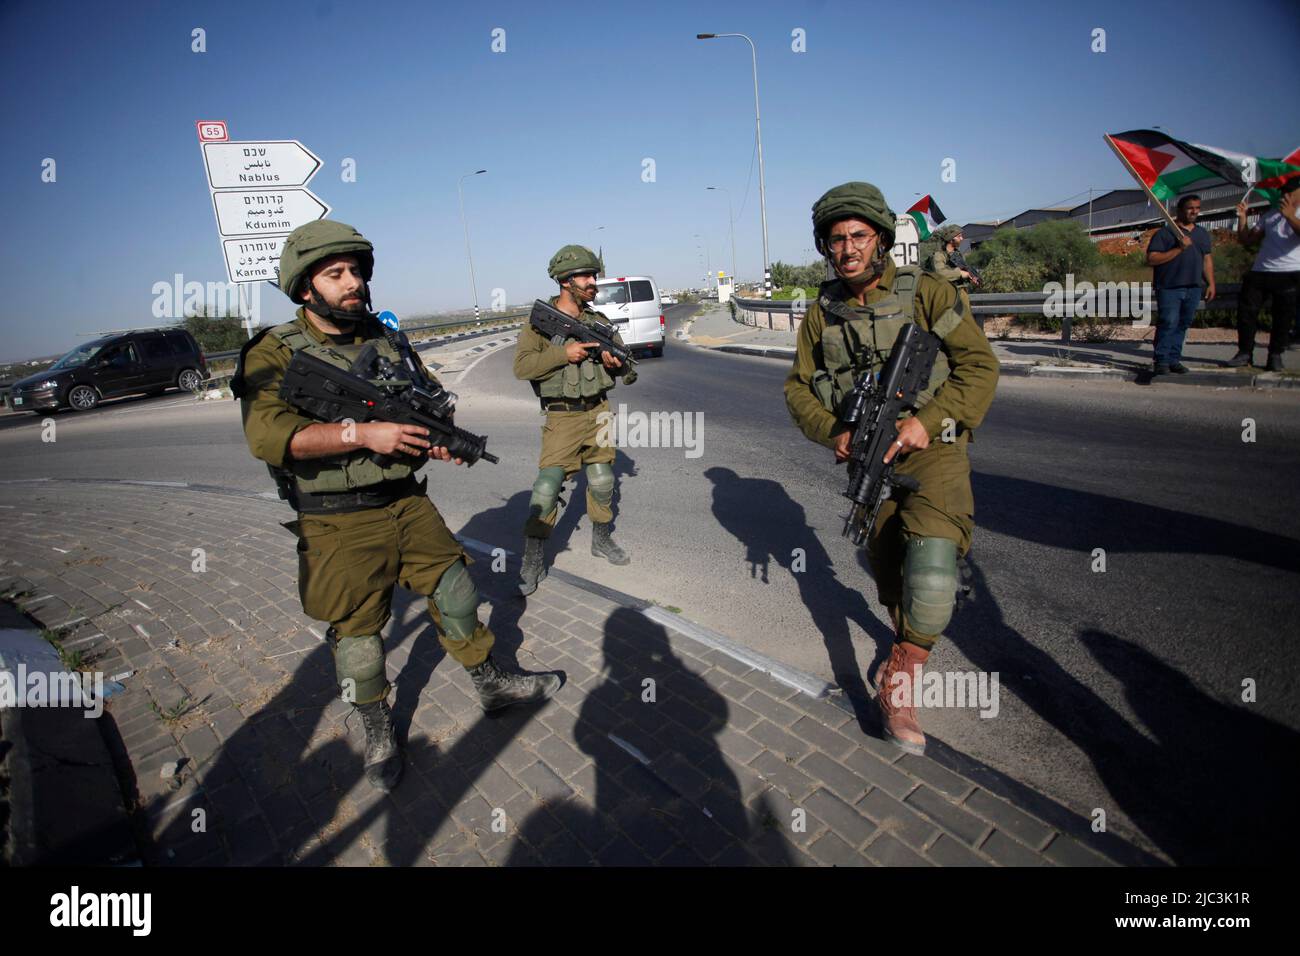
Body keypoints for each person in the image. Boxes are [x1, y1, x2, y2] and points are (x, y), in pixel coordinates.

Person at [231, 220, 559, 792]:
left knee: (457, 589)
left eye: (356, 271)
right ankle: (377, 725)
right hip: (337, 518)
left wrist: (434, 440)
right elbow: (268, 437)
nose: (351, 282)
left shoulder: (385, 341)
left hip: (405, 501)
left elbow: (424, 405)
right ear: (305, 288)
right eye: (335, 274)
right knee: (358, 632)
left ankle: (490, 682)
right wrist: (363, 434)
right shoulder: (275, 352)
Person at [784, 183, 999, 754]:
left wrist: (929, 419)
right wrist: (838, 432)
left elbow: (978, 367)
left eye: (858, 235)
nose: (848, 248)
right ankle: (908, 634)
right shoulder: (820, 315)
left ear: (879, 238)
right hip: (871, 457)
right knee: (888, 570)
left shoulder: (927, 292)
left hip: (936, 447)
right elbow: (798, 391)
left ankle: (899, 679)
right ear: (826, 248)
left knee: (932, 570)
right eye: (836, 240)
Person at [514, 245, 637, 596]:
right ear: (565, 281)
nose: (592, 282)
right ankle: (533, 558)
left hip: (597, 411)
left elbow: (629, 372)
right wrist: (561, 353)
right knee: (547, 486)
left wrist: (620, 365)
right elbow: (522, 367)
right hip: (562, 416)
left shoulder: (599, 324)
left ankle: (601, 540)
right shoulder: (540, 323)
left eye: (594, 275)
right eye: (585, 276)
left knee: (601, 479)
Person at [1227, 178, 1300, 371]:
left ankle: (1275, 355)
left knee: (1282, 317)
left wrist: (1291, 216)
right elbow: (1248, 240)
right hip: (1260, 271)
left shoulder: (1296, 214)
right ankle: (1244, 353)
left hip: (1289, 272)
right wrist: (1242, 218)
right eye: (1283, 192)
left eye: (1290, 192)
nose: (1285, 195)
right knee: (1246, 313)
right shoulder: (1269, 215)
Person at [1145, 194, 1215, 374]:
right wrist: (1179, 248)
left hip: (1193, 286)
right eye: (1190, 208)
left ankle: (1173, 359)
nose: (1194, 211)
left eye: (1197, 208)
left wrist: (1211, 283)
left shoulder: (1201, 234)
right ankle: (1161, 360)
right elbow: (1152, 258)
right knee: (1168, 322)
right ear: (1180, 210)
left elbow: (1207, 259)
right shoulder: (1165, 233)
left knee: (1183, 323)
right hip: (1169, 287)